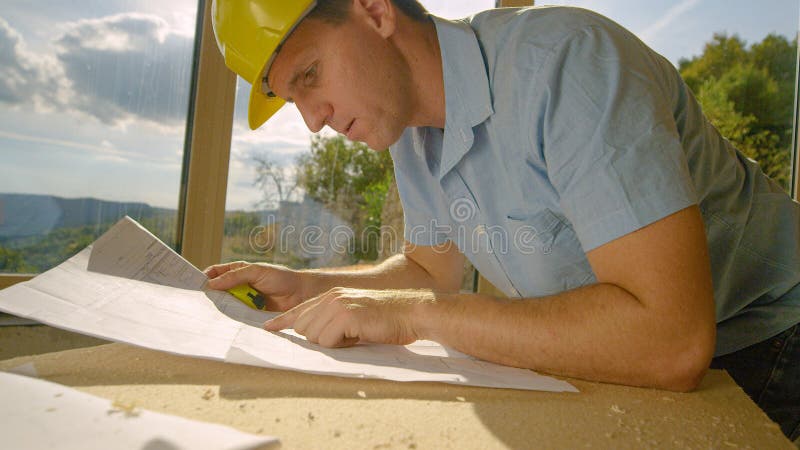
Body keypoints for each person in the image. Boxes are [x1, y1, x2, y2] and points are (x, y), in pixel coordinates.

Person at [207, 0, 800, 439]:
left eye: (309, 76)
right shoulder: (410, 134)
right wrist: (312, 289)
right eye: (293, 98)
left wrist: (419, 316)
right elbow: (427, 270)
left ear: (374, 10)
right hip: (652, 365)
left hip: (772, 339)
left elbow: (671, 342)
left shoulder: (567, 65)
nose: (312, 120)